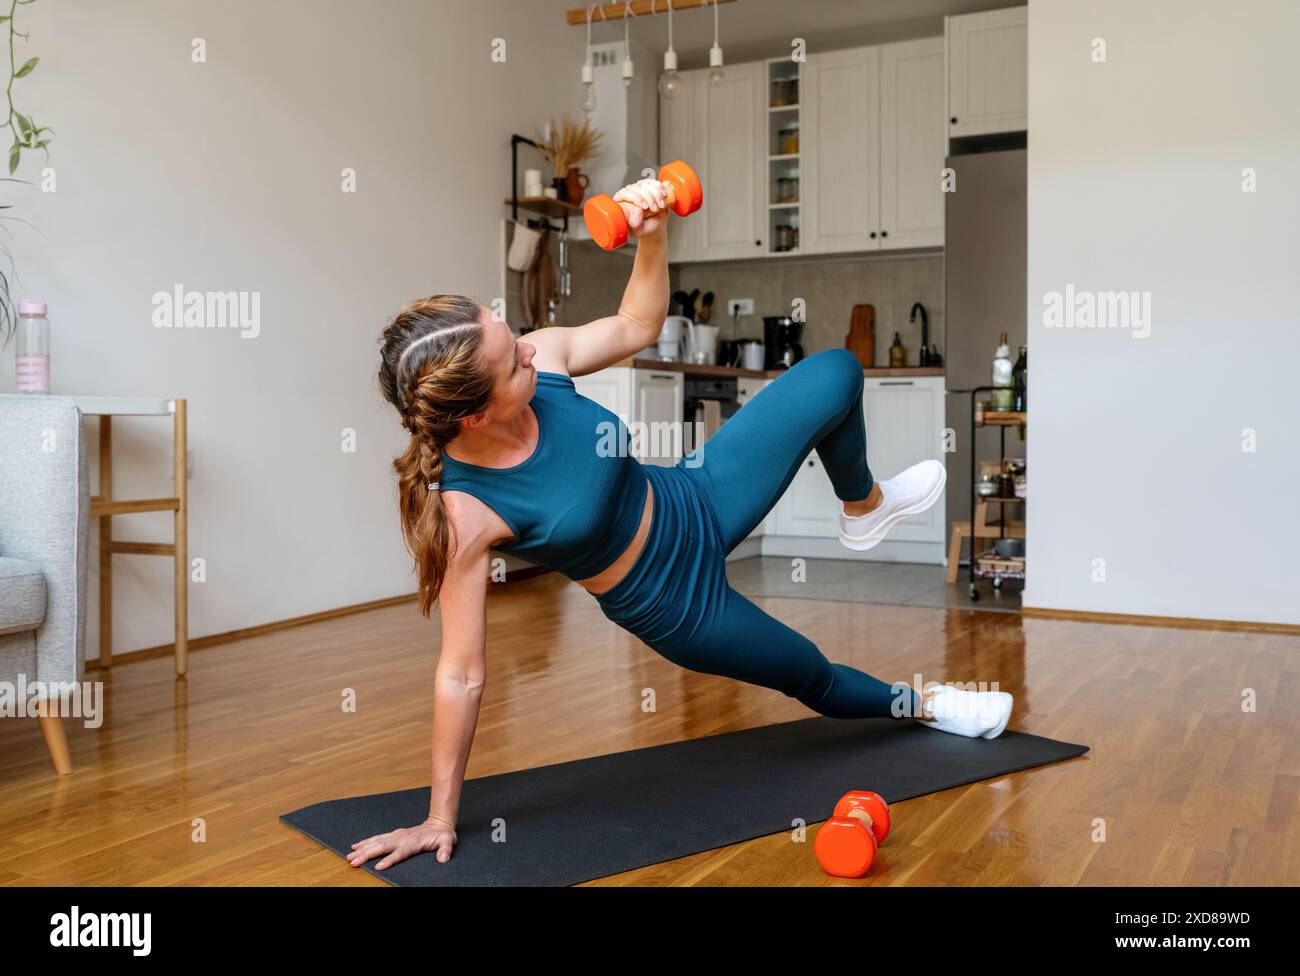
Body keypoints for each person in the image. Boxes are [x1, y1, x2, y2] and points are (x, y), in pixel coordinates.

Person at [352, 177, 1013, 872]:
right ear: (476, 414)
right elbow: (460, 675)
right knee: (809, 675)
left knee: (836, 374)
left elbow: (636, 327)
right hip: (672, 602)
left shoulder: (538, 361)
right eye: (510, 360)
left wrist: (653, 235)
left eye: (514, 337)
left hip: (693, 496)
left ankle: (864, 506)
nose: (528, 352)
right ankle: (928, 705)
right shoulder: (466, 511)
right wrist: (437, 816)